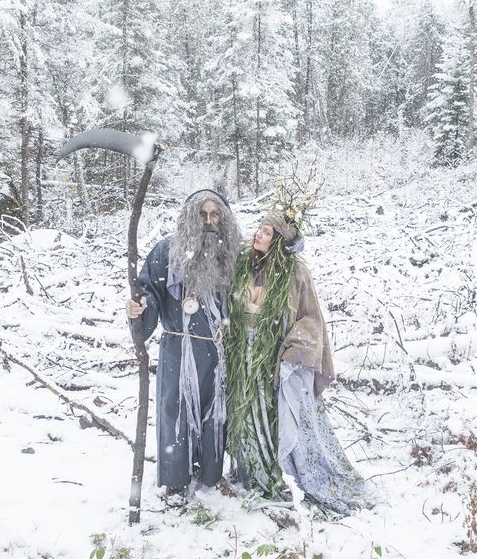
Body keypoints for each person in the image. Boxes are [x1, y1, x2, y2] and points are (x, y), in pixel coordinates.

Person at [225, 210, 366, 517]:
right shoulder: (245, 265)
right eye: (259, 229)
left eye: (267, 231)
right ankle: (254, 472)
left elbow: (311, 318)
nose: (258, 234)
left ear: (279, 241)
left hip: (272, 356)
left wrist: (292, 351)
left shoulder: (295, 272)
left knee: (275, 414)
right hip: (243, 355)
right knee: (248, 415)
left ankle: (282, 473)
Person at [126, 190, 241, 500]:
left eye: (214, 215)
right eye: (201, 215)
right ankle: (176, 480)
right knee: (174, 411)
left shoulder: (231, 254)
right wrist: (141, 308)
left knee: (215, 413)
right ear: (189, 217)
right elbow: (149, 291)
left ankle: (210, 474)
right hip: (179, 349)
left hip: (218, 353)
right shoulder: (167, 252)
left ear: (223, 218)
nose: (208, 221)